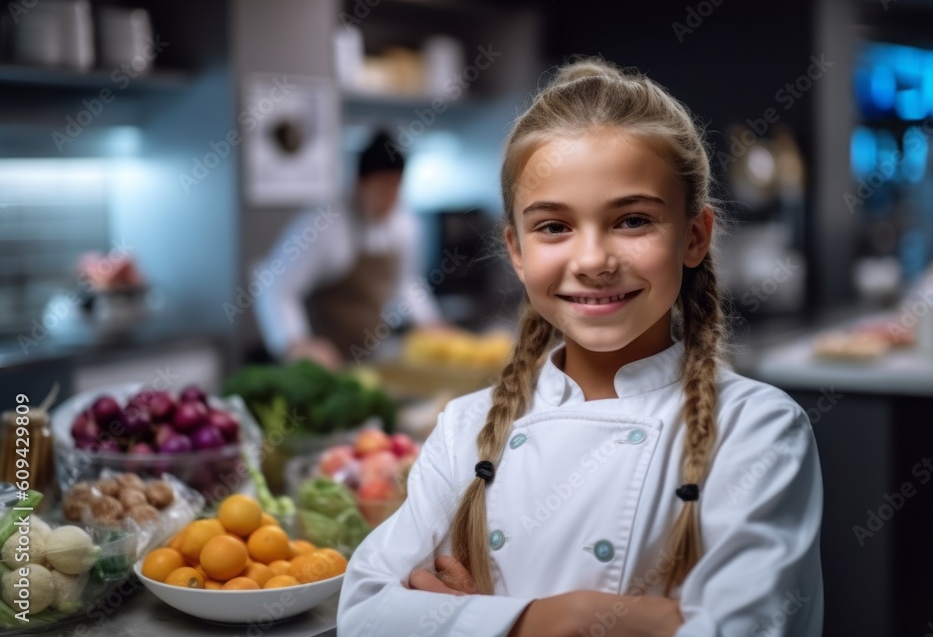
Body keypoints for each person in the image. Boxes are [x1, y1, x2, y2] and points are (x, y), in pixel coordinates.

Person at [337, 58, 823, 636]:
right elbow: (365, 610)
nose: (593, 260)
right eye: (553, 227)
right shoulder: (462, 430)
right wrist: (560, 619)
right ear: (516, 251)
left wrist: (473, 621)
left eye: (633, 220)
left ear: (694, 237)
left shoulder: (758, 431)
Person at [255, 130, 445, 369]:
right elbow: (274, 286)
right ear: (360, 184)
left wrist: (431, 322)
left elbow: (406, 282)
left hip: (373, 357)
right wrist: (297, 343)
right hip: (324, 364)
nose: (389, 200)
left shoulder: (404, 224)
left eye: (395, 189)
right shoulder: (322, 225)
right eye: (381, 190)